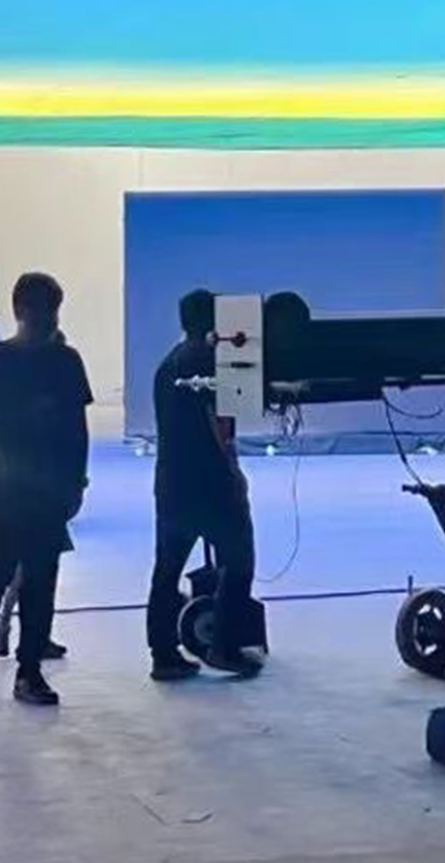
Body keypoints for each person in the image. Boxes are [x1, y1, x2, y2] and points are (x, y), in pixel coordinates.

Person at [0, 273, 93, 706]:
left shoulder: (61, 363)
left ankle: (26, 668)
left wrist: (77, 483)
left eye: (54, 310)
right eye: (45, 310)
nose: (50, 319)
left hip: (36, 494)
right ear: (21, 311)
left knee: (33, 585)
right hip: (10, 491)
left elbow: (77, 431)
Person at [146, 289, 262, 681]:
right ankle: (224, 647)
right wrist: (234, 474)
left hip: (172, 484)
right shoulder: (212, 363)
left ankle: (163, 655)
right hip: (212, 485)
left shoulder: (168, 364)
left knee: (166, 572)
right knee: (239, 562)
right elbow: (219, 423)